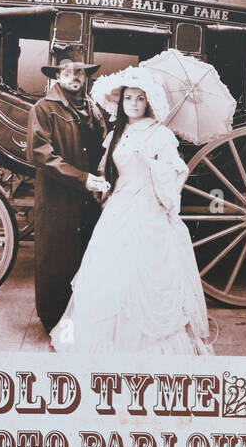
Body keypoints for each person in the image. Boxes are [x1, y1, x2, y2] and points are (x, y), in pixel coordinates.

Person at [51, 65, 212, 356]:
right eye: (128, 98)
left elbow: (177, 171)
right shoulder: (118, 132)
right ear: (121, 102)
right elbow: (106, 166)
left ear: (148, 102)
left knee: (144, 272)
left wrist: (152, 163)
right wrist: (102, 181)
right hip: (120, 206)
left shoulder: (161, 134)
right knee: (108, 268)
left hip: (148, 208)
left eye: (139, 98)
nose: (134, 104)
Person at [26, 46, 109, 333]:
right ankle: (53, 322)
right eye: (68, 72)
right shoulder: (44, 108)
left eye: (80, 72)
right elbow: (42, 154)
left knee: (86, 258)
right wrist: (83, 178)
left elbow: (102, 148)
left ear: (85, 77)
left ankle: (80, 320)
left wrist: (100, 175)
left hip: (89, 200)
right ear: (58, 76)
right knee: (57, 259)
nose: (74, 77)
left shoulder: (93, 108)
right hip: (58, 199)